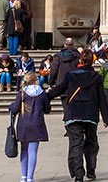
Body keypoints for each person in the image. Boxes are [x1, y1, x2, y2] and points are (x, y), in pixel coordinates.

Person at [44, 50, 102, 182]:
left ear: (80, 61)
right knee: (91, 142)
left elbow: (59, 89)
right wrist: (106, 116)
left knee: (75, 144)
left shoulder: (71, 75)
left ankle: (78, 174)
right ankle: (91, 170)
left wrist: (45, 97)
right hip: (90, 114)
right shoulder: (97, 77)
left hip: (73, 113)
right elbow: (102, 98)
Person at [11, 71, 50, 182]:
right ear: (35, 81)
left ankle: (23, 176)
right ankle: (30, 177)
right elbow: (47, 109)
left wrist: (11, 107)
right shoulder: (41, 93)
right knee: (32, 151)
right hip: (36, 124)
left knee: (24, 150)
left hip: (23, 124)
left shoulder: (22, 92)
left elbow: (14, 108)